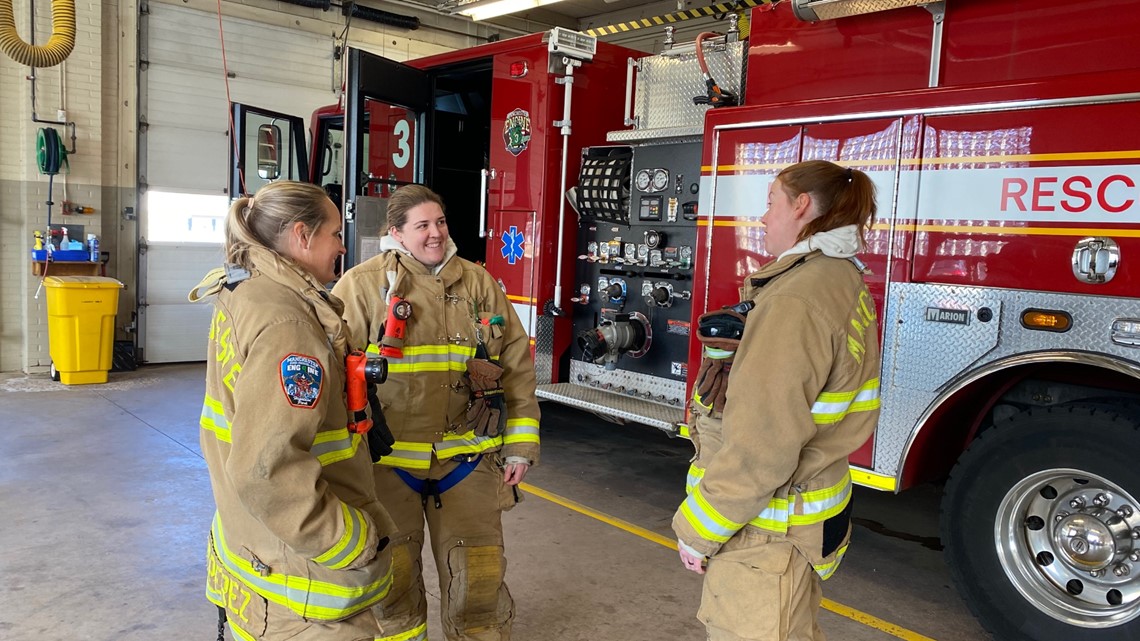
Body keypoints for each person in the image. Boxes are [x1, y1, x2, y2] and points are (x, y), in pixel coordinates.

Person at [673, 160, 883, 641]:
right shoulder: (838, 277)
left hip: (765, 536)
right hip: (795, 529)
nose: (764, 217)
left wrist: (698, 531)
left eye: (771, 203)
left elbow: (762, 444)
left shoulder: (796, 298)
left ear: (802, 206)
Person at [189, 180, 397, 641]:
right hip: (300, 591)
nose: (342, 247)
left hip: (257, 549)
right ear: (302, 236)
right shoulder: (289, 325)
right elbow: (265, 470)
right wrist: (349, 540)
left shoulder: (245, 291)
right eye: (335, 234)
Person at [332, 184, 540, 641]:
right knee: (393, 581)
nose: (436, 233)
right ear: (396, 233)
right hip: (387, 464)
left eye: (440, 222)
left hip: (468, 461)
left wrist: (520, 447)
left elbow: (516, 367)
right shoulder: (362, 286)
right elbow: (335, 374)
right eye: (422, 225)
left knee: (479, 579)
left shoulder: (479, 283)